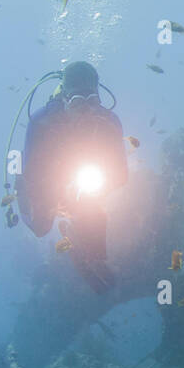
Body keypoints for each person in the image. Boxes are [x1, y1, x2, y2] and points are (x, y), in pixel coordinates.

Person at [15, 61, 128, 290]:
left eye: (93, 101)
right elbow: (31, 173)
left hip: (87, 179)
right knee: (41, 228)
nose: (87, 111)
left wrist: (102, 183)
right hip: (47, 181)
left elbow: (122, 174)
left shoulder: (110, 121)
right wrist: (56, 187)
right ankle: (28, 205)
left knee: (94, 213)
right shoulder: (40, 122)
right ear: (65, 99)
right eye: (77, 102)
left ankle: (91, 256)